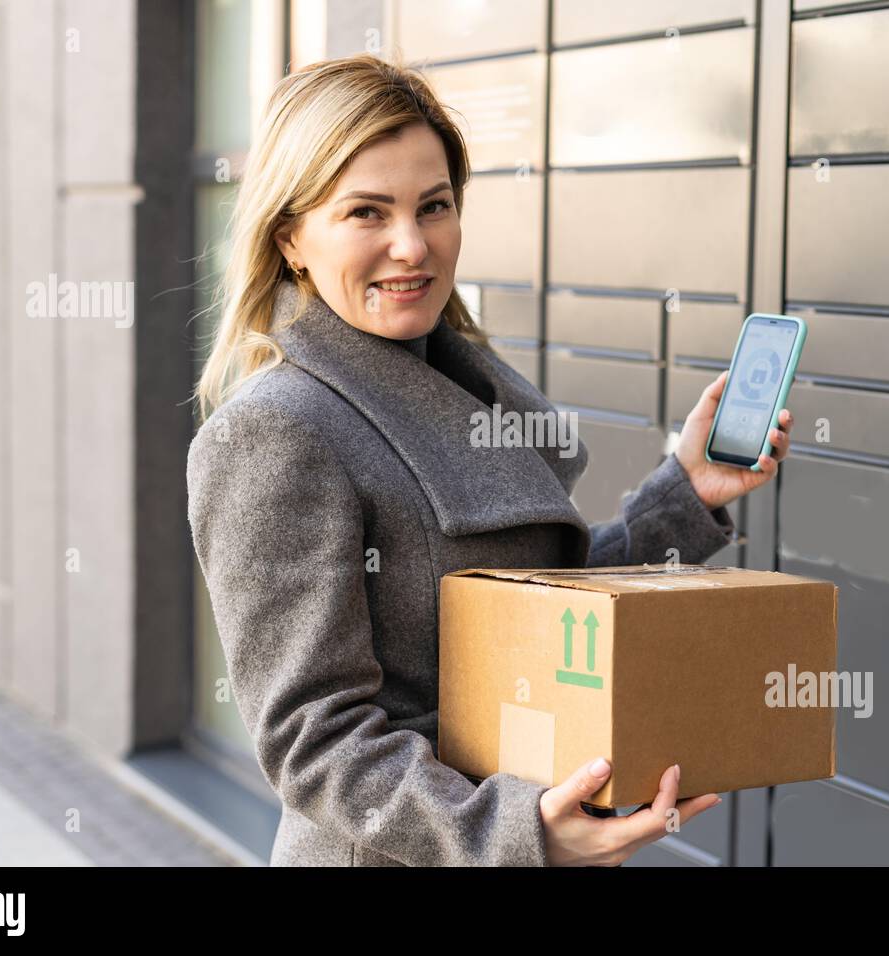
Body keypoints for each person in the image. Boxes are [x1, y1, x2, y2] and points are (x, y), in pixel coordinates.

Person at [187, 54, 792, 867]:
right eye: (366, 212)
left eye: (433, 206)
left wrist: (684, 493)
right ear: (292, 236)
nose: (411, 245)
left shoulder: (468, 386)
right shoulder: (276, 433)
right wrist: (521, 831)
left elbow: (540, 616)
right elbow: (315, 741)